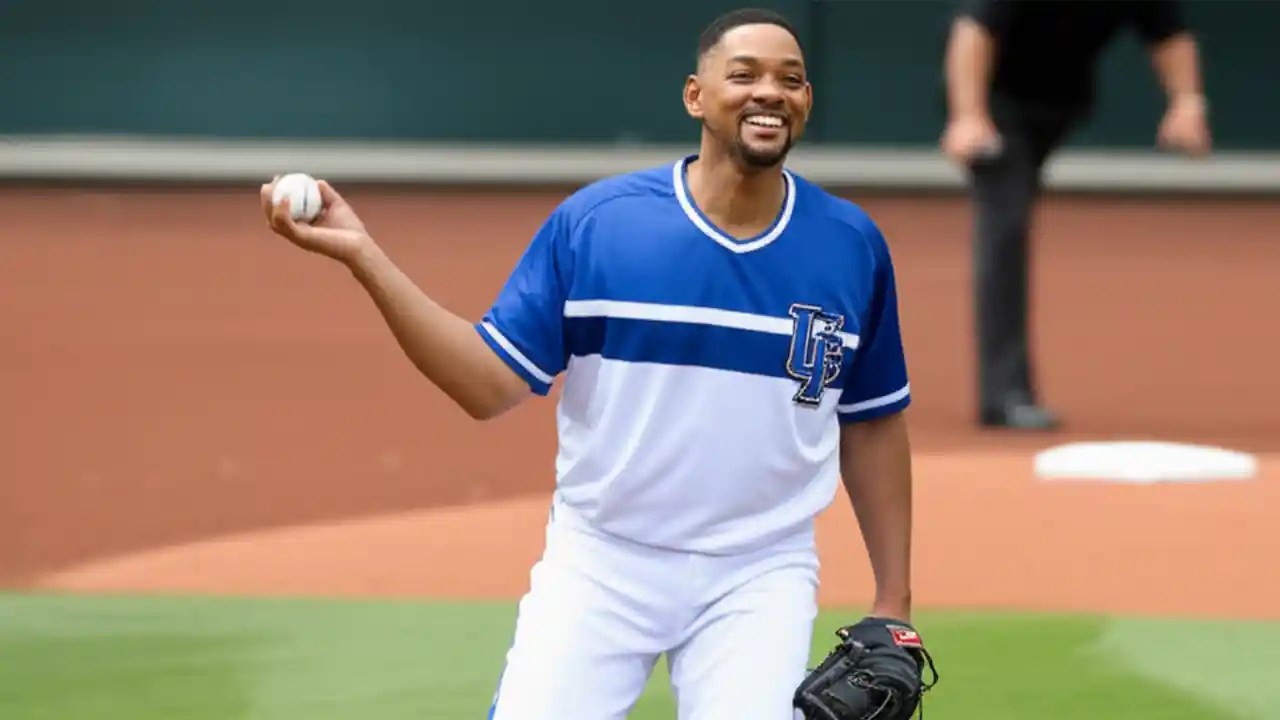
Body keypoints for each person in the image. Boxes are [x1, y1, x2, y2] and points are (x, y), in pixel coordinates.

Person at [262, 8, 932, 719]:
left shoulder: (849, 246)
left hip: (760, 572)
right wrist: (364, 255)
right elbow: (484, 384)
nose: (771, 92)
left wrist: (896, 599)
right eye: (745, 75)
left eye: (791, 80)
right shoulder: (600, 227)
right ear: (695, 96)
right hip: (604, 561)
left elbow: (872, 423)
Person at [940, 0, 1212, 430]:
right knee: (1005, 224)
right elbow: (972, 31)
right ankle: (1005, 394)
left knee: (1012, 209)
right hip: (990, 96)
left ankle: (1007, 391)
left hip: (1059, 102)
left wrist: (1187, 102)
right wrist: (968, 116)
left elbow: (1169, 33)